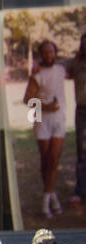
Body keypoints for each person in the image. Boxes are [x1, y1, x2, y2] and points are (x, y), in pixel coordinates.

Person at [27, 39, 68, 216]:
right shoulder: (37, 74)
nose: (49, 55)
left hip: (59, 119)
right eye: (45, 52)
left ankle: (46, 200)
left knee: (53, 160)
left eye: (51, 52)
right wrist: (45, 106)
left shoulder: (61, 69)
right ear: (40, 55)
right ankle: (52, 197)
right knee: (45, 162)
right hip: (41, 120)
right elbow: (28, 100)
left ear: (55, 53)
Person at [65, 33, 86, 206]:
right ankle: (80, 191)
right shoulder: (76, 63)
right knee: (82, 151)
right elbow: (58, 65)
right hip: (82, 111)